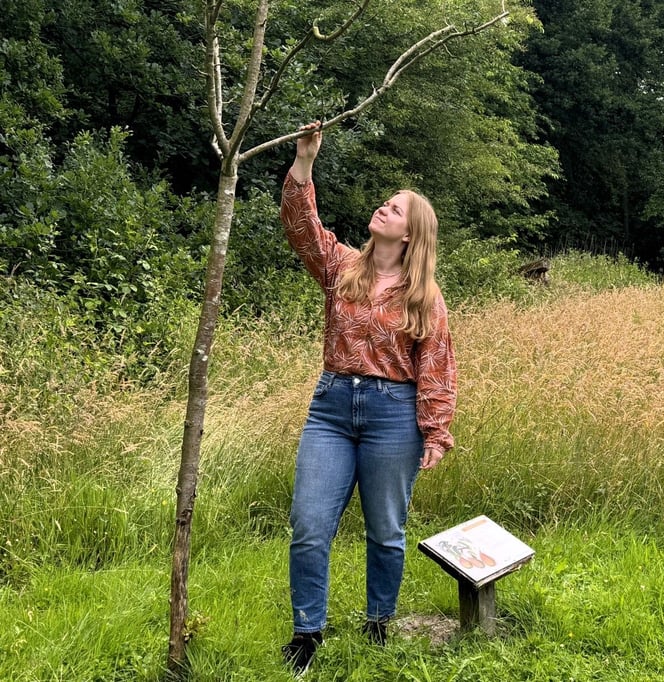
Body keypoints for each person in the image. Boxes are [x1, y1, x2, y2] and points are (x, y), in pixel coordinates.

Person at [278, 121, 457, 675]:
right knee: (310, 524)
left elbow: (437, 365)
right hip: (330, 408)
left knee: (385, 529)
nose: (384, 208)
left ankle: (378, 621)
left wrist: (436, 429)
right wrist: (305, 161)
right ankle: (307, 633)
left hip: (393, 416)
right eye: (385, 202)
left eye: (395, 208)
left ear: (410, 234)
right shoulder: (341, 269)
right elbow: (302, 229)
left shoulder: (424, 295)